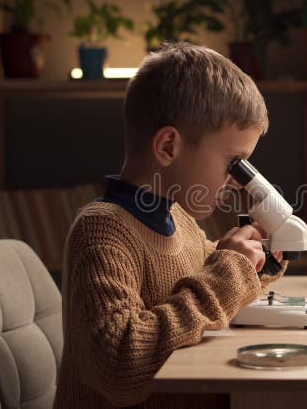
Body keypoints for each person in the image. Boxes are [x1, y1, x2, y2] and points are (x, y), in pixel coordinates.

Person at [53, 42, 287, 408]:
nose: (238, 181)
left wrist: (262, 256)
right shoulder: (101, 233)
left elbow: (210, 278)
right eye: (234, 163)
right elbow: (119, 365)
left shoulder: (179, 219)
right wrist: (231, 270)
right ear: (167, 146)